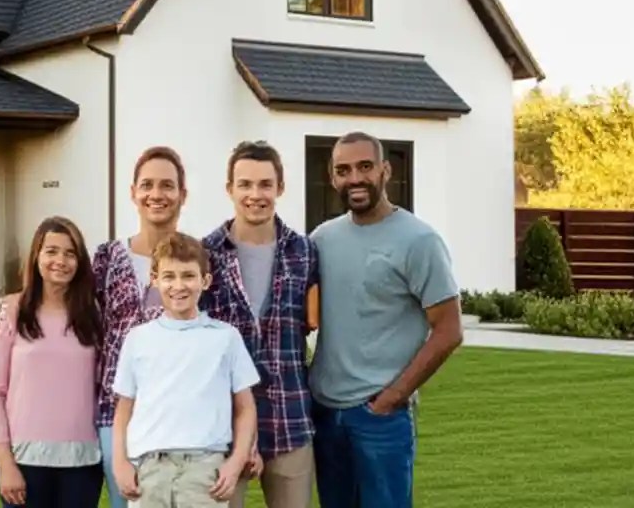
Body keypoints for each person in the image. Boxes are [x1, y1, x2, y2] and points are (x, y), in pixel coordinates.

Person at [0, 145, 189, 508]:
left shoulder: (194, 263)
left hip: (174, 417)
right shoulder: (109, 260)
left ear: (182, 194)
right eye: (147, 185)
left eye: (166, 185)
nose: (156, 194)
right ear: (133, 192)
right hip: (110, 420)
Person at [308, 132, 464, 508]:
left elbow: (449, 330)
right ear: (332, 177)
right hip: (324, 413)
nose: (355, 178)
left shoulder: (419, 240)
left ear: (386, 171)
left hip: (380, 418)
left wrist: (393, 396)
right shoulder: (322, 239)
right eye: (343, 170)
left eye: (365, 167)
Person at [202, 141, 318, 508]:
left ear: (280, 188)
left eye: (265, 184)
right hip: (222, 427)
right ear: (229, 189)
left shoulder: (305, 252)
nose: (255, 194)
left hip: (289, 418)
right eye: (245, 184)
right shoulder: (205, 254)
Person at [111, 231, 260, 507]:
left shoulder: (225, 337)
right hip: (150, 470)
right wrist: (119, 462)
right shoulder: (138, 339)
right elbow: (123, 410)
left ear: (205, 280)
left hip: (205, 470)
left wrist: (236, 461)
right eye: (169, 276)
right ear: (155, 279)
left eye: (188, 276)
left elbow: (245, 408)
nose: (178, 285)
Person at [0, 216, 104, 508]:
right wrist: (5, 463)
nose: (60, 261)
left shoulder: (94, 314)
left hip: (82, 463)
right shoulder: (8, 311)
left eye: (70, 253)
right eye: (51, 251)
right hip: (24, 461)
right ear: (36, 256)